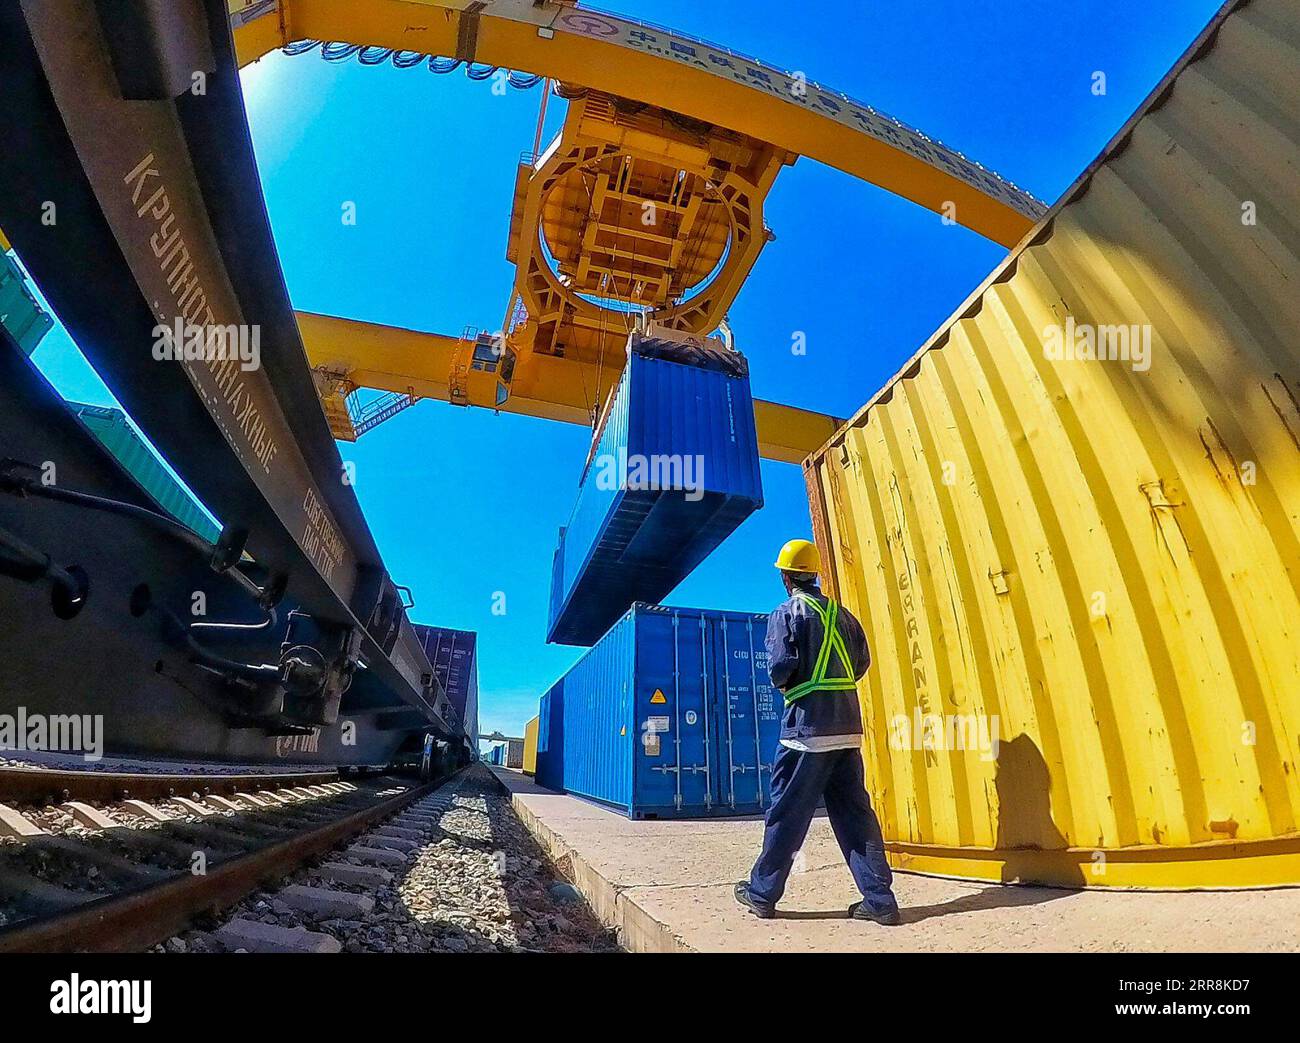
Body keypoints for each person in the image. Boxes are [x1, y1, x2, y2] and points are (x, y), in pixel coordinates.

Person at [734, 538, 900, 925]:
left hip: (806, 731)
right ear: (813, 574)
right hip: (847, 729)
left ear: (786, 577)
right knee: (856, 815)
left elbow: (780, 667)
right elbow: (861, 663)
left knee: (786, 814)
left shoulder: (786, 612)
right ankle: (880, 900)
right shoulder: (843, 615)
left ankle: (761, 893)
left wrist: (796, 689)